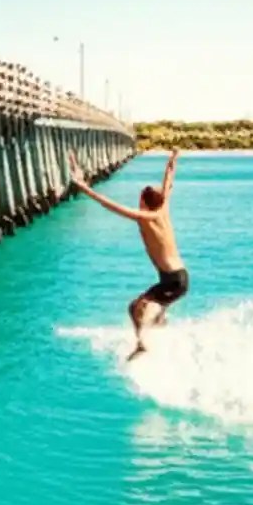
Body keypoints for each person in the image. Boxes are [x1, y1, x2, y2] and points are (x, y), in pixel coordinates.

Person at [69, 150, 187, 359]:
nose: (138, 201)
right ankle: (160, 330)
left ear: (145, 203)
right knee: (142, 307)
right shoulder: (163, 208)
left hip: (172, 281)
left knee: (136, 308)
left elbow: (110, 205)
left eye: (140, 199)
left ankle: (143, 343)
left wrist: (84, 188)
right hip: (177, 277)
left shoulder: (145, 216)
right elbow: (168, 184)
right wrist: (172, 162)